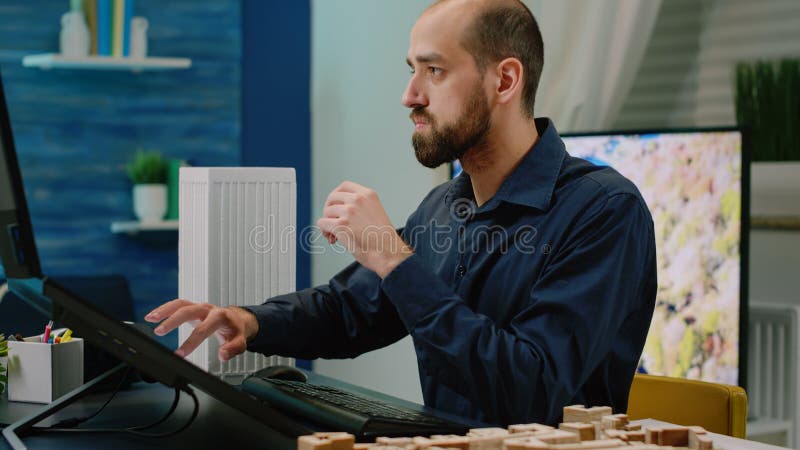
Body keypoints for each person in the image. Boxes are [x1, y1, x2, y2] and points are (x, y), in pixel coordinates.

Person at [146, 0, 656, 426]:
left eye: (434, 70)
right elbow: (353, 310)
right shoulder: (447, 204)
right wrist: (250, 320)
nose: (409, 95)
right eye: (412, 71)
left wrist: (394, 257)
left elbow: (532, 390)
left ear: (504, 82)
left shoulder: (606, 211)